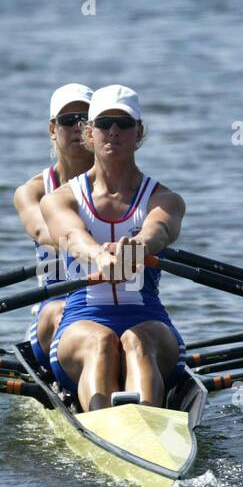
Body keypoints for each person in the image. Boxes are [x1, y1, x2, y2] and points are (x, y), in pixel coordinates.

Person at [40, 85, 187, 411]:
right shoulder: (59, 199)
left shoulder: (164, 199)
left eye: (124, 124)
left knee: (137, 341)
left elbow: (160, 230)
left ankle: (144, 435)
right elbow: (72, 236)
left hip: (149, 322)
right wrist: (98, 256)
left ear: (139, 132)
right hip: (81, 322)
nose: (114, 132)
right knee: (101, 342)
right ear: (89, 133)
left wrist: (136, 248)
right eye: (105, 124)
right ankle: (110, 432)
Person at [13, 83, 95, 370]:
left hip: (114, 306)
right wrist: (99, 249)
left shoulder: (125, 189)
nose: (76, 127)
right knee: (66, 313)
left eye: (84, 119)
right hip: (55, 307)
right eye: (67, 120)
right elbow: (45, 234)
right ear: (52, 129)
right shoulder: (33, 192)